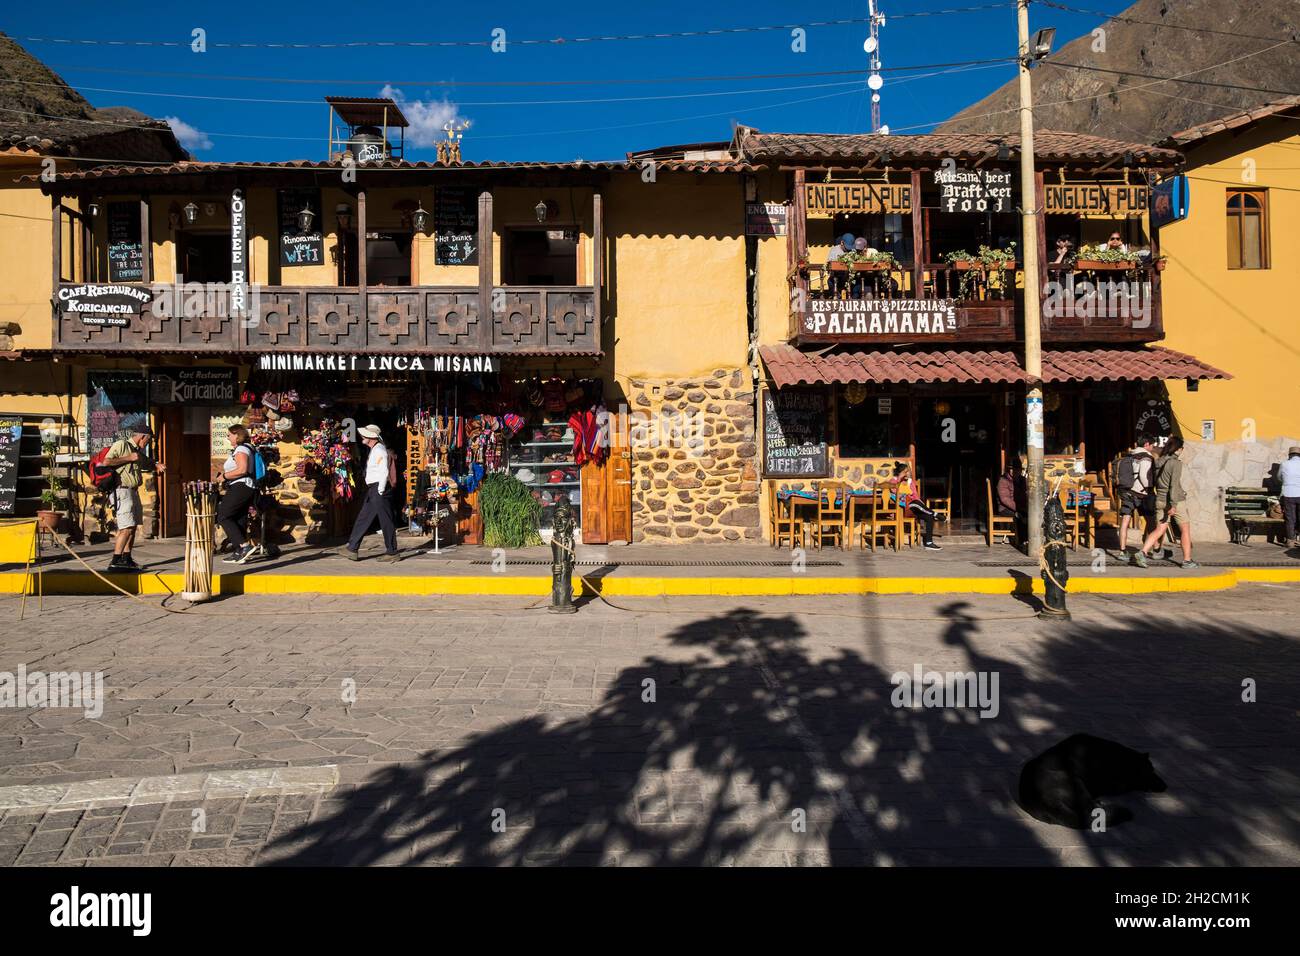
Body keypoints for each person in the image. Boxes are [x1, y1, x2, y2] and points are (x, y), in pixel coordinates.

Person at [101, 425, 164, 572]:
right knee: (126, 527)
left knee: (133, 526)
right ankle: (115, 561)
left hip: (133, 491)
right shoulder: (122, 445)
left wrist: (156, 464)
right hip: (122, 491)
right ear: (143, 436)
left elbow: (144, 460)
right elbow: (107, 462)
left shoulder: (136, 450)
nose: (148, 443)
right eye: (148, 440)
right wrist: (128, 458)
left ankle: (126, 558)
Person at [336, 424, 400, 563]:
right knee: (364, 518)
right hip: (374, 488)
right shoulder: (375, 449)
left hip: (379, 488)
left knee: (386, 520)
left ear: (371, 437)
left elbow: (384, 471)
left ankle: (392, 551)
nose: (362, 437)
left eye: (364, 435)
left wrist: (381, 489)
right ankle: (352, 548)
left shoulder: (379, 450)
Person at [1136, 436, 1197, 569]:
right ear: (1178, 449)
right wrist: (1174, 505)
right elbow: (1174, 486)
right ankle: (1187, 560)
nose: (1182, 451)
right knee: (1185, 530)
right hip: (1175, 501)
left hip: (1160, 500)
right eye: (1181, 448)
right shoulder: (1175, 463)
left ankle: (1143, 552)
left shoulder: (1158, 461)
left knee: (1159, 529)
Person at [215, 424, 259, 564]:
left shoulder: (241, 449)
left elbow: (242, 469)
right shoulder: (246, 448)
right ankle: (239, 551)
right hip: (246, 486)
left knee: (223, 515)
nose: (228, 438)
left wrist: (225, 476)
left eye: (229, 435)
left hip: (241, 486)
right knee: (238, 518)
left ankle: (244, 546)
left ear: (236, 434)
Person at [1116, 434, 1157, 564]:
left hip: (1126, 492)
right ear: (1146, 445)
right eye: (1152, 445)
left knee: (1125, 521)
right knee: (1151, 521)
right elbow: (1144, 476)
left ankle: (1122, 551)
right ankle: (1155, 549)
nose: (1153, 448)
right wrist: (1150, 488)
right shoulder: (1146, 457)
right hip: (1141, 493)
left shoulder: (1128, 455)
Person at [885, 462, 942, 551]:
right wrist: (899, 478)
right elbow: (893, 490)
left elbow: (916, 497)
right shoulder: (893, 480)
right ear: (900, 473)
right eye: (905, 472)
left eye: (908, 472)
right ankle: (934, 513)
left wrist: (923, 506)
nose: (908, 474)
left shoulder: (910, 482)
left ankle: (928, 543)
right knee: (913, 502)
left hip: (913, 509)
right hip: (902, 510)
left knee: (929, 516)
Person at [826, 232, 855, 297]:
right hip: (837, 275)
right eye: (847, 247)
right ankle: (837, 298)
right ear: (842, 243)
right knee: (830, 282)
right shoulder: (834, 250)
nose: (848, 249)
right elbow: (829, 264)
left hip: (849, 276)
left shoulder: (853, 250)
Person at [1281, 446, 1300, 546]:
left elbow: (1280, 477)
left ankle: (1290, 541)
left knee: (1290, 518)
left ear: (1290, 455)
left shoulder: (1284, 464)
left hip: (1288, 493)